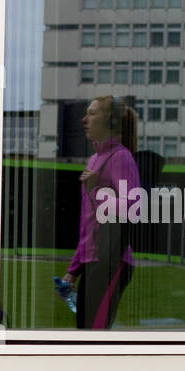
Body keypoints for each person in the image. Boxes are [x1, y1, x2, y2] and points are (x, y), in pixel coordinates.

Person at [62, 95, 140, 329]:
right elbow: (89, 225)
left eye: (92, 113)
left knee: (93, 336)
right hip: (96, 262)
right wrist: (72, 272)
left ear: (110, 122)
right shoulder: (94, 159)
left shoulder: (121, 157)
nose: (84, 119)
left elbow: (134, 208)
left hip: (112, 261)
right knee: (85, 333)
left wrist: (96, 190)